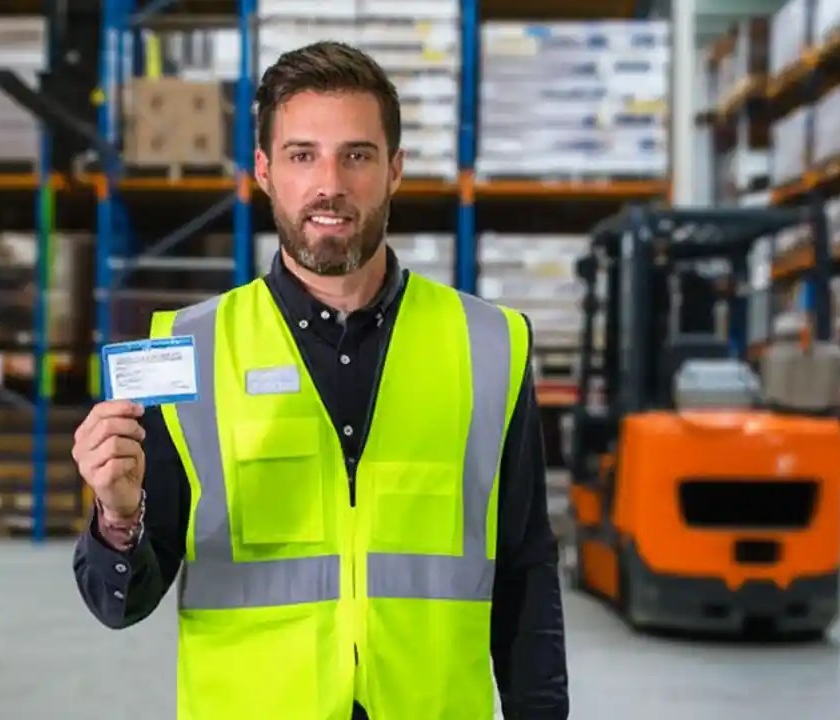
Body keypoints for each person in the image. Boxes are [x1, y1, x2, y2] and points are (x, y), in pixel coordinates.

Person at [71, 40, 569, 720]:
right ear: (265, 171)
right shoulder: (189, 349)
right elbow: (119, 604)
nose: (329, 183)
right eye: (303, 155)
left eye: (356, 155)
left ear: (395, 170)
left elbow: (526, 568)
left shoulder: (489, 344)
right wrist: (117, 518)